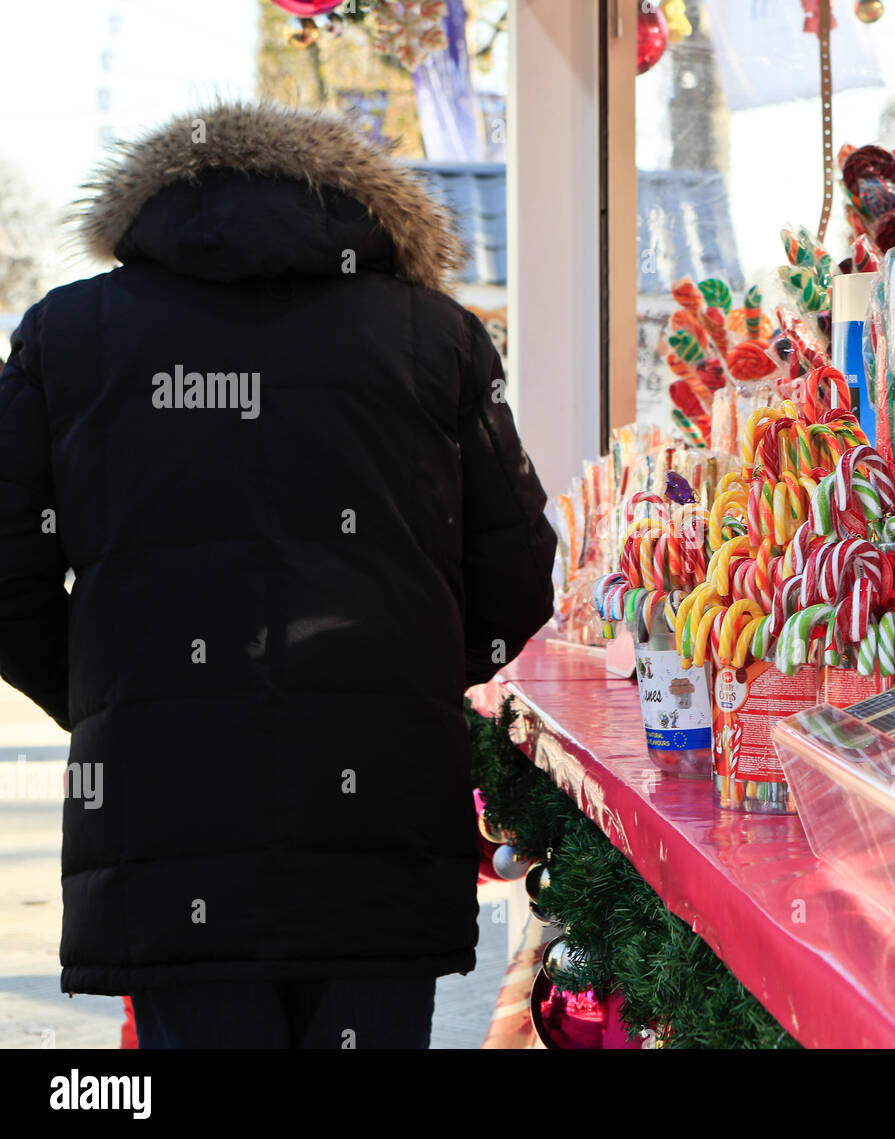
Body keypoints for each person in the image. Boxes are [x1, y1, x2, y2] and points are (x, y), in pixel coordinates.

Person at [0, 101, 557, 1048]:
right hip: (379, 809)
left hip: (167, 817)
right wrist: (405, 674)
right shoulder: (436, 336)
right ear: (362, 208)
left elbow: (6, 581)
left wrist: (114, 696)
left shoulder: (69, 335)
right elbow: (515, 574)